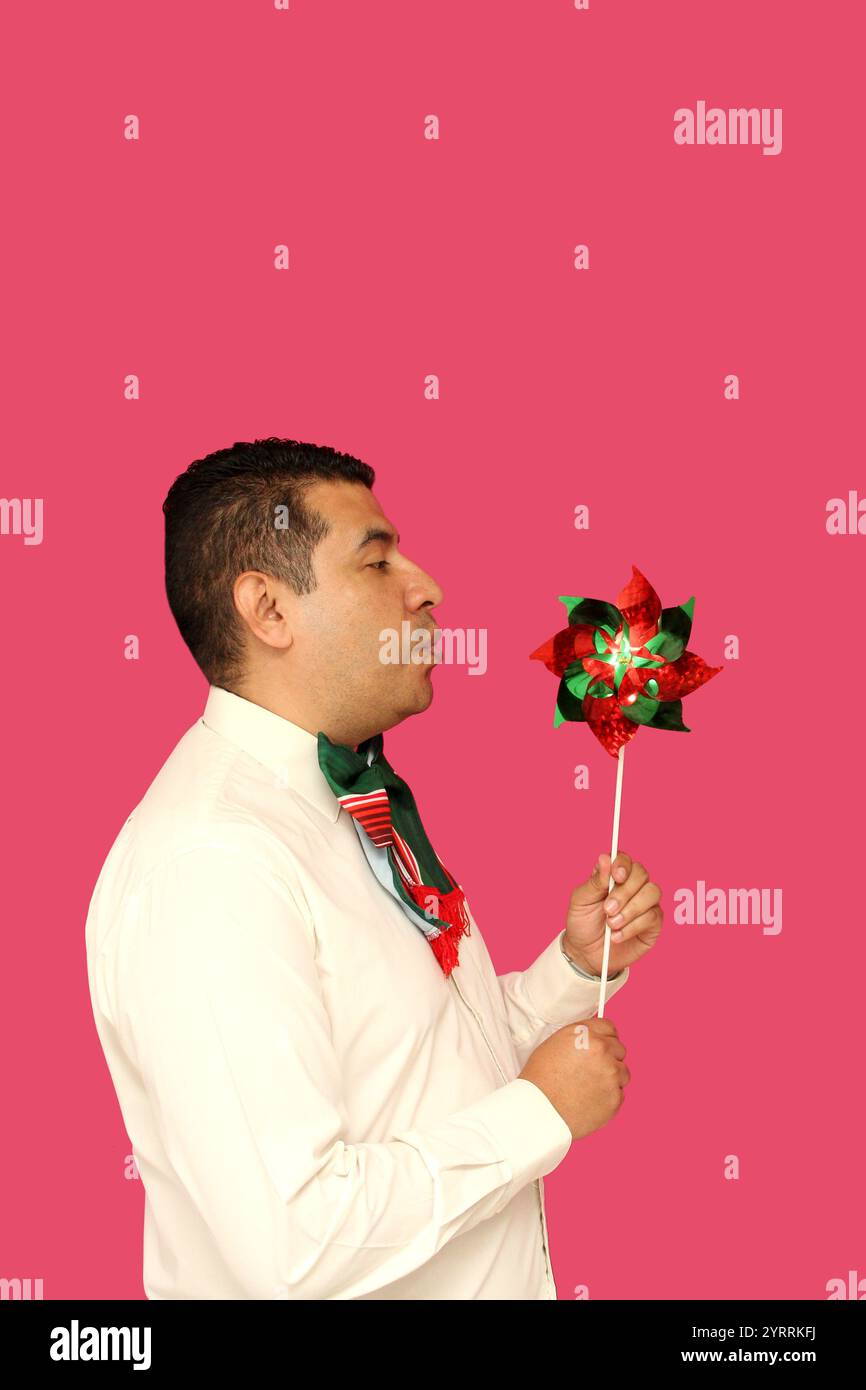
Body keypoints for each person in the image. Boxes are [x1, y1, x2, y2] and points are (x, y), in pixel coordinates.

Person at [84, 437, 663, 1300]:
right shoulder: (212, 865)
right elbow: (297, 1245)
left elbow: (423, 1071)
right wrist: (540, 1114)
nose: (427, 588)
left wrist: (575, 970)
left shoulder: (347, 801)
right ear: (269, 609)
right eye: (378, 559)